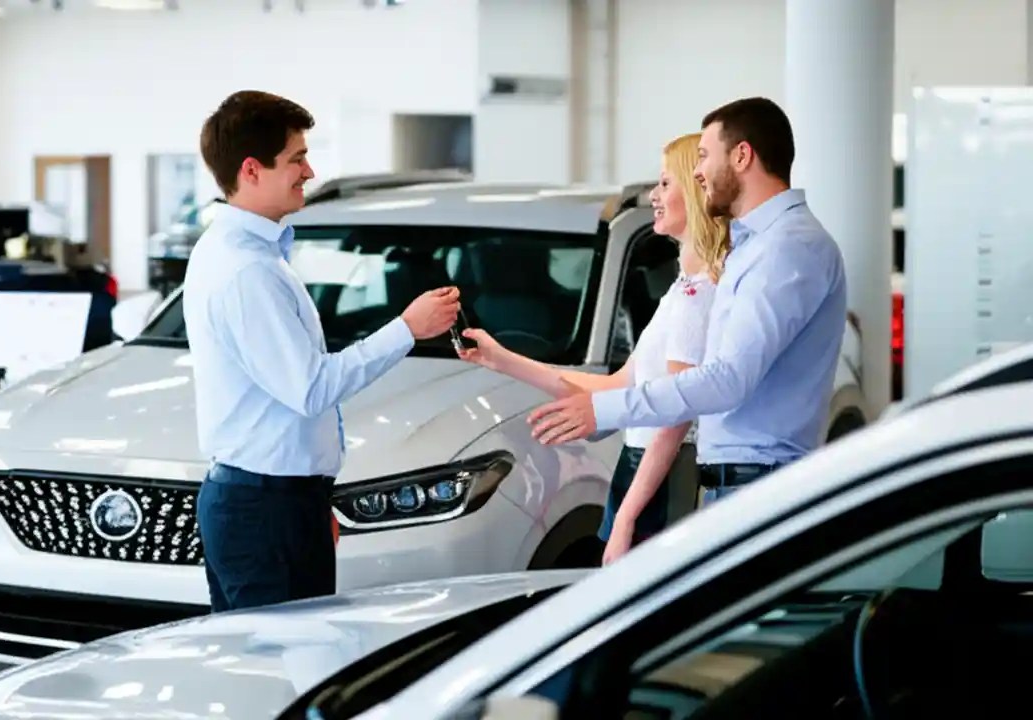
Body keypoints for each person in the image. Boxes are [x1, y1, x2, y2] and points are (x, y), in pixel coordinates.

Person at [183, 90, 460, 612]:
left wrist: (310, 499)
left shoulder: (244, 254)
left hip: (278, 501)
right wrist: (407, 328)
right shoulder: (247, 271)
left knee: (276, 663)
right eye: (296, 158)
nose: (308, 171)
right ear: (251, 170)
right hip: (266, 508)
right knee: (277, 674)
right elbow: (310, 388)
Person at [526, 96, 847, 505]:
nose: (697, 172)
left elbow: (727, 380)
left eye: (704, 156)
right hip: (742, 483)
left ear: (742, 156)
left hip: (757, 487)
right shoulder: (757, 246)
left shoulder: (787, 248)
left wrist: (603, 410)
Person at [457, 133, 727, 563]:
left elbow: (674, 417)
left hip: (662, 476)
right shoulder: (683, 292)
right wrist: (502, 360)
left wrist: (625, 521)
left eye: (664, 184)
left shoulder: (698, 296)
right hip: (645, 471)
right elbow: (617, 386)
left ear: (694, 192)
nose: (655, 197)